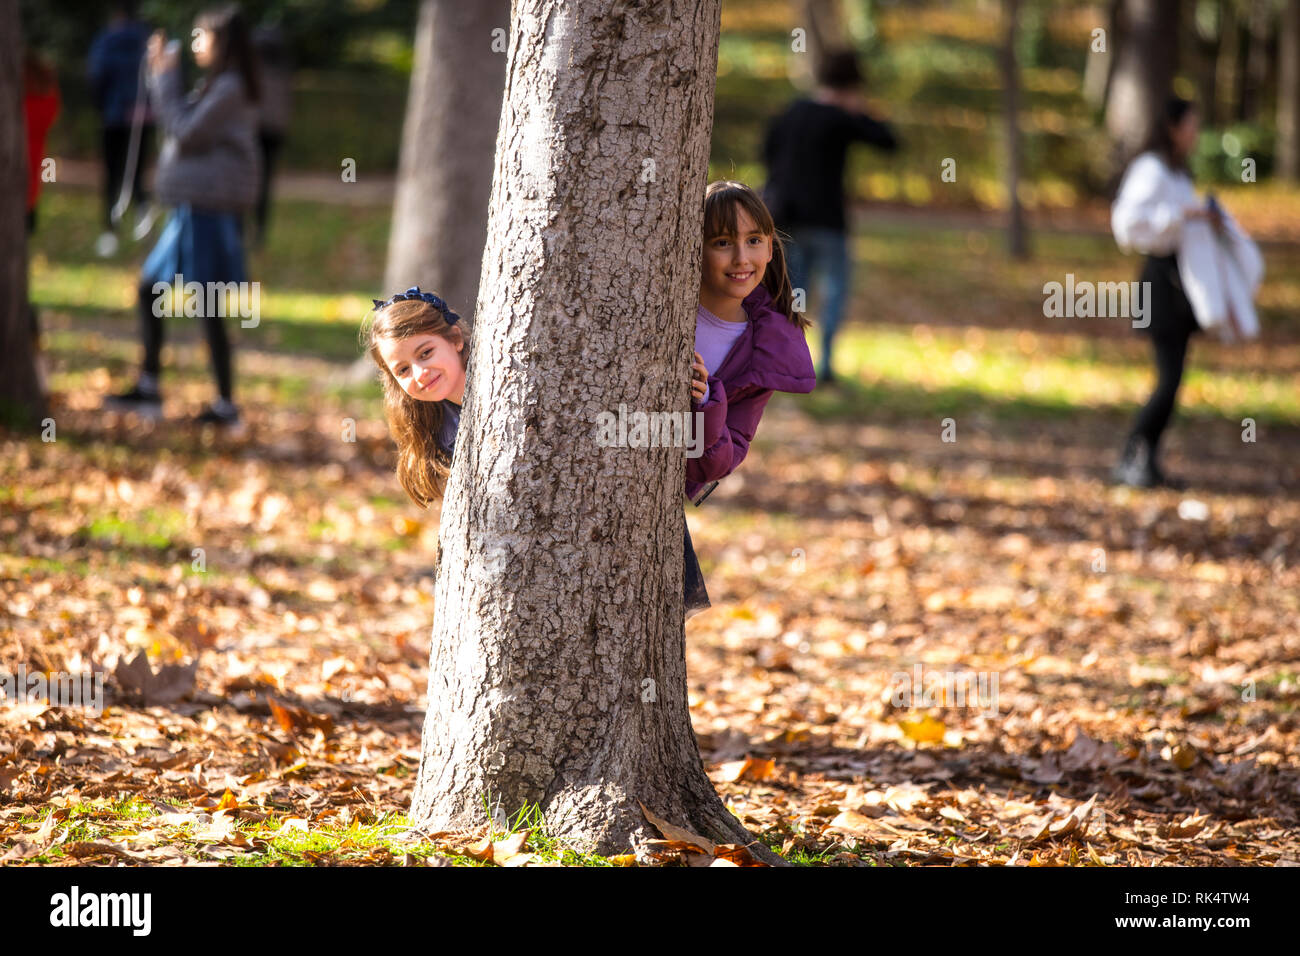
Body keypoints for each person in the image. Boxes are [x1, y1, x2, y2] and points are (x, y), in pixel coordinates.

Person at [104, 4, 261, 428]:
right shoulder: (218, 85)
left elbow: (184, 130)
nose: (193, 43)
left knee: (206, 302)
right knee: (150, 289)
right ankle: (150, 386)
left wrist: (164, 78)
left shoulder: (229, 88)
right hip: (191, 209)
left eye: (200, 36)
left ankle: (226, 407)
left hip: (207, 210)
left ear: (222, 42)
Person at [685, 181, 817, 612]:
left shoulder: (764, 346)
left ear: (770, 249)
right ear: (694, 247)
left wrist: (708, 402)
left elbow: (722, 460)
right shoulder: (666, 305)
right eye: (723, 242)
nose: (742, 258)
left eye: (754, 241)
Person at [761, 48, 897, 384]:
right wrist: (862, 111)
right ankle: (825, 366)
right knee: (834, 291)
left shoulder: (792, 112)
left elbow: (766, 153)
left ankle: (781, 360)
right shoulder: (842, 119)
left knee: (793, 292)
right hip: (827, 221)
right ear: (853, 85)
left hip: (787, 219)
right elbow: (889, 142)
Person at [1110, 96, 1225, 489]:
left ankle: (1147, 461)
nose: (1196, 133)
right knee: (1168, 378)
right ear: (1173, 128)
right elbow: (1126, 224)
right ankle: (1131, 457)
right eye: (1191, 125)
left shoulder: (1178, 174)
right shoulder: (1152, 169)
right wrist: (1183, 215)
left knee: (1174, 378)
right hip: (1158, 282)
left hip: (1181, 281)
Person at [87, 2, 153, 250]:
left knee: (112, 173)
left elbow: (97, 75)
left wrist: (101, 105)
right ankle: (143, 220)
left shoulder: (107, 39)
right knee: (136, 172)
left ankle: (110, 230)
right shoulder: (144, 39)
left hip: (113, 115)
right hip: (141, 115)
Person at [252, 25, 292, 247]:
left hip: (258, 131)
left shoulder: (255, 71)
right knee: (264, 183)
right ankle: (259, 228)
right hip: (274, 133)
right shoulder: (283, 71)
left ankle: (249, 228)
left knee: (251, 180)